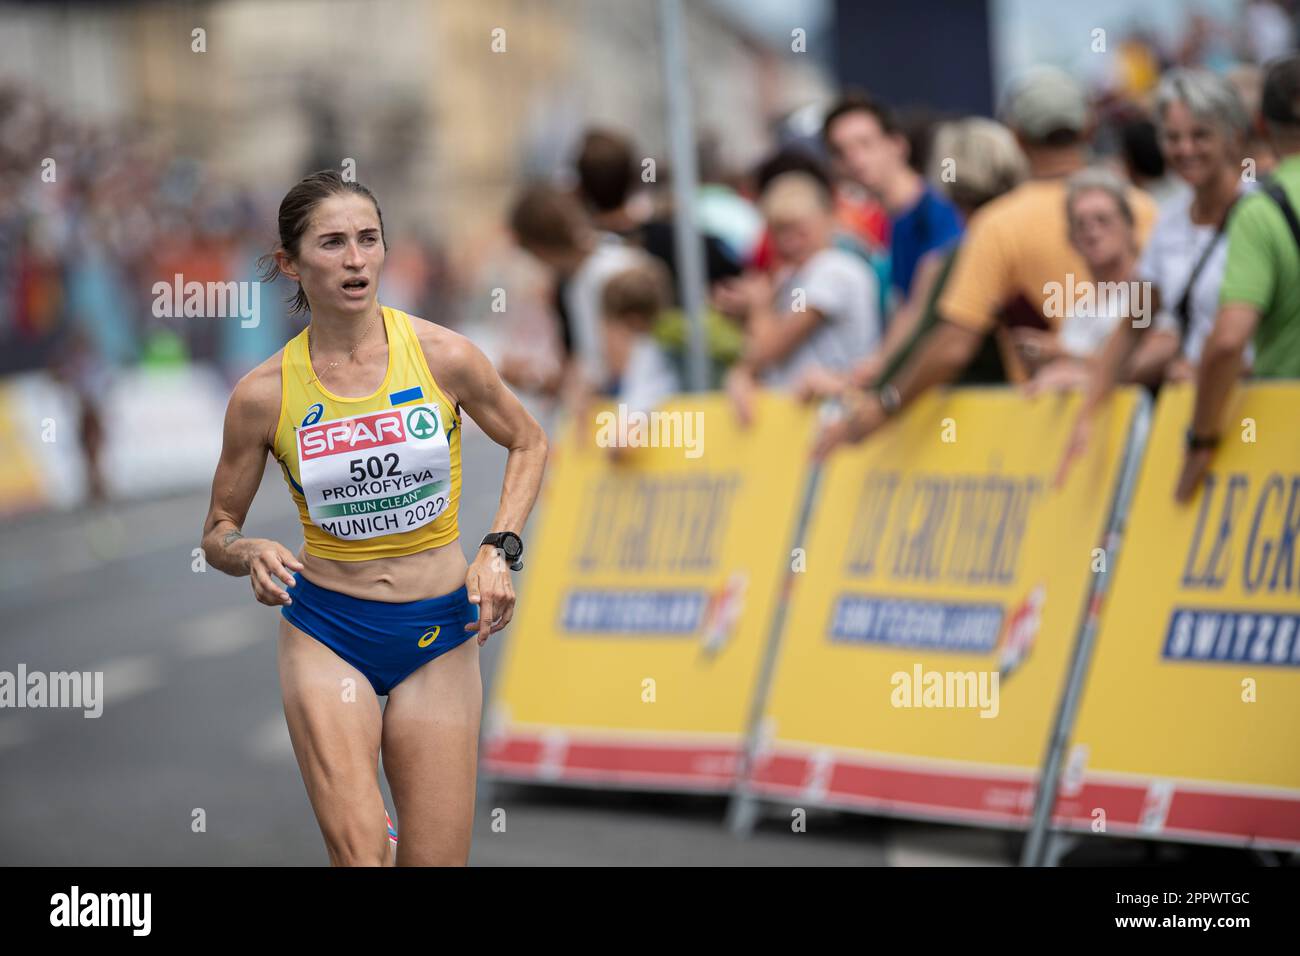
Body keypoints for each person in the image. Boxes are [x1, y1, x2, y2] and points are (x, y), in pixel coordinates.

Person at [199, 170, 548, 866]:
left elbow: (529, 439)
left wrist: (497, 548)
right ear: (290, 263)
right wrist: (249, 552)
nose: (356, 259)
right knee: (362, 857)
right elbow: (218, 530)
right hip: (327, 627)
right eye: (332, 243)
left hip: (438, 630)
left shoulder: (445, 356)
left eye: (368, 240)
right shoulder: (262, 395)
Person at [814, 66, 1159, 458]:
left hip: (1053, 430)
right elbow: (1157, 322)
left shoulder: (996, 226)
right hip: (1145, 424)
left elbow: (952, 344)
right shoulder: (1141, 206)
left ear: (1016, 137)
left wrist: (885, 405)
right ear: (1088, 128)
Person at [1056, 69, 1253, 481]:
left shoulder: (1262, 213)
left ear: (1232, 136)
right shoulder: (1170, 223)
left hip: (1258, 408)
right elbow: (1135, 325)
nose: (1185, 149)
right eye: (1172, 137)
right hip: (1195, 416)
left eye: (1200, 135)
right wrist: (1089, 414)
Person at [1175, 53, 1300, 502]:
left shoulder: (1261, 208)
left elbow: (1228, 340)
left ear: (1260, 125)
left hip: (1286, 427)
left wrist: (1201, 438)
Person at [719, 171, 881, 424]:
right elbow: (760, 352)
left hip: (838, 415)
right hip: (803, 422)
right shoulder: (793, 277)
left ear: (827, 221)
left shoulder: (834, 270)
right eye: (780, 231)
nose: (789, 241)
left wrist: (758, 307)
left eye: (799, 230)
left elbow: (772, 348)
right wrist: (744, 372)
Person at [822, 90, 964, 307]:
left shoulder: (940, 212)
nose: (855, 159)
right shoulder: (888, 223)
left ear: (898, 144)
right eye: (840, 152)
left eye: (865, 143)